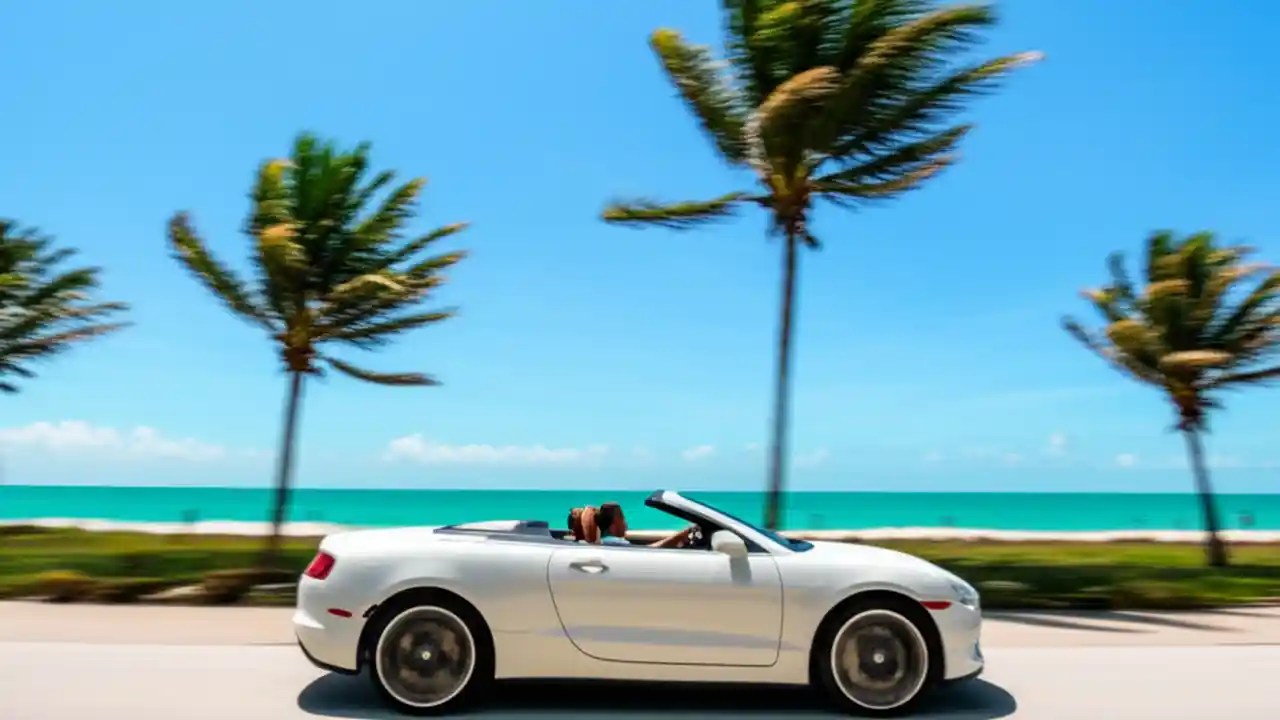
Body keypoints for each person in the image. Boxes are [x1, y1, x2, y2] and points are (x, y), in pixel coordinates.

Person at [594, 501, 693, 548]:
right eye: (622, 519)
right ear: (613, 527)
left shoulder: (606, 541)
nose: (626, 523)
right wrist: (680, 536)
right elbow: (650, 551)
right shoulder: (614, 543)